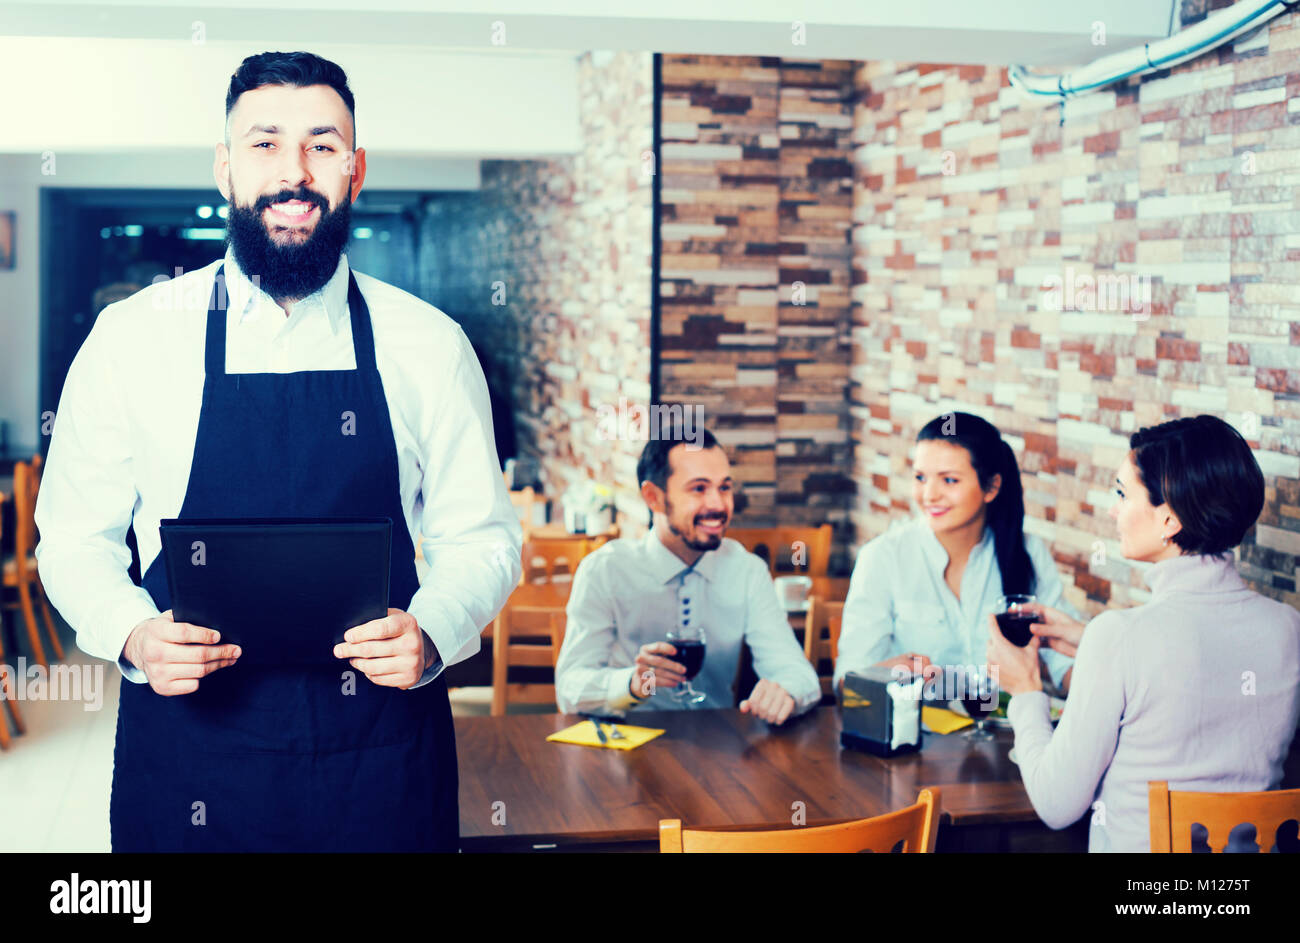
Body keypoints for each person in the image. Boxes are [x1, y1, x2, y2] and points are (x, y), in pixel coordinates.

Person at [33, 51, 522, 852]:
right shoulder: (132, 338)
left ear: (355, 171)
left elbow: (485, 537)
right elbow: (74, 540)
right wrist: (131, 632)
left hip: (380, 760)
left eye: (322, 145)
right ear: (225, 169)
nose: (295, 172)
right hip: (192, 759)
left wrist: (434, 628)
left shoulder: (430, 344)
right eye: (266, 143)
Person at [987, 415, 1300, 853]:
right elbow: (1206, 662)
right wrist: (1088, 638)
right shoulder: (1288, 628)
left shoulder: (1120, 637)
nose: (1113, 509)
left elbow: (1056, 806)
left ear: (1169, 520)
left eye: (1121, 493)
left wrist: (1024, 692)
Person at [554, 425, 820, 723]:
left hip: (720, 750)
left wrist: (785, 692)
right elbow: (569, 688)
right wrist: (632, 683)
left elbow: (799, 675)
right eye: (698, 488)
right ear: (653, 497)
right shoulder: (605, 571)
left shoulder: (747, 571)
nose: (718, 504)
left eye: (724, 487)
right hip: (627, 749)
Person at [834, 411, 1078, 696]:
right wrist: (884, 673)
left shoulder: (1028, 553)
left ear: (992, 487)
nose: (929, 495)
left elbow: (1066, 664)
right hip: (919, 736)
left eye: (949, 480)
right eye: (921, 477)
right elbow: (846, 684)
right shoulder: (882, 558)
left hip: (1009, 733)